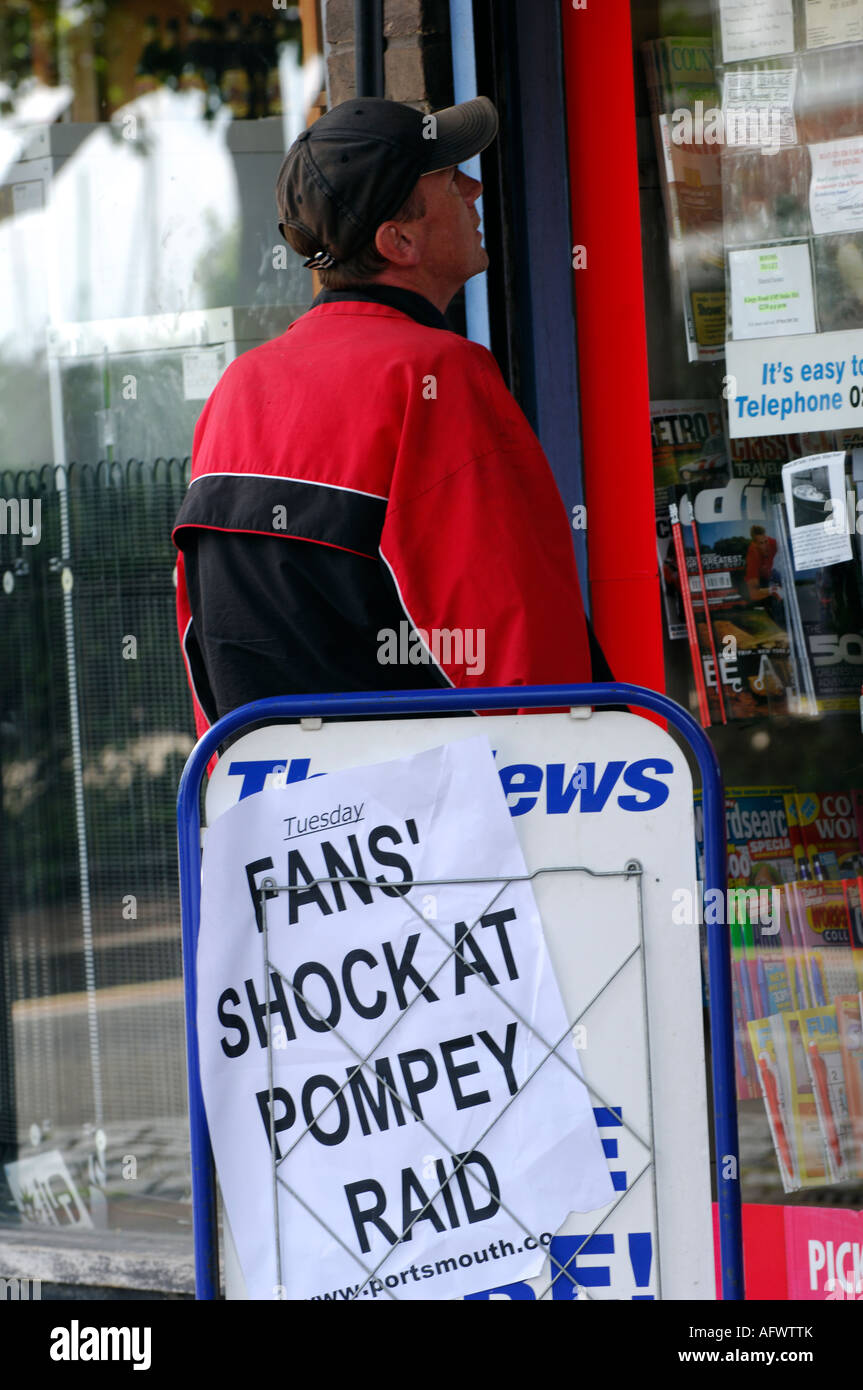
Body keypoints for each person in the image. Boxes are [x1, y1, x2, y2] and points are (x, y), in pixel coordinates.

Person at [172, 96, 606, 737]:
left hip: (282, 811)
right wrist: (594, 760)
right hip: (453, 812)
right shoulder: (436, 373)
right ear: (397, 241)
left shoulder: (237, 389)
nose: (474, 186)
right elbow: (521, 653)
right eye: (447, 179)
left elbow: (205, 638)